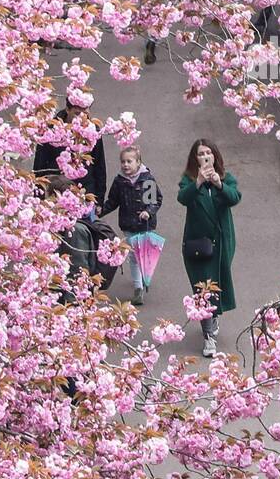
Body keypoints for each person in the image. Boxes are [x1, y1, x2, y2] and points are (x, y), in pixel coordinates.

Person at [177, 139, 240, 357]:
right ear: (195, 158)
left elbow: (235, 198)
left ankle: (213, 318)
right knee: (202, 289)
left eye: (208, 153)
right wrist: (198, 182)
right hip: (198, 245)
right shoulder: (189, 180)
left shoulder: (224, 178)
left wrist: (219, 184)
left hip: (222, 244)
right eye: (200, 153)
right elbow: (182, 198)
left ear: (215, 156)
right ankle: (208, 337)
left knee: (217, 285)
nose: (205, 156)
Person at [99, 146, 163, 305]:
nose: (125, 165)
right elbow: (113, 202)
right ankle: (138, 288)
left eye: (129, 161)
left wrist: (148, 212)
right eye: (123, 162)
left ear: (138, 162)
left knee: (144, 255)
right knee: (134, 256)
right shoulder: (119, 181)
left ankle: (144, 276)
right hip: (128, 225)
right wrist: (99, 212)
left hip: (145, 224)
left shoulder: (146, 179)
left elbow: (155, 200)